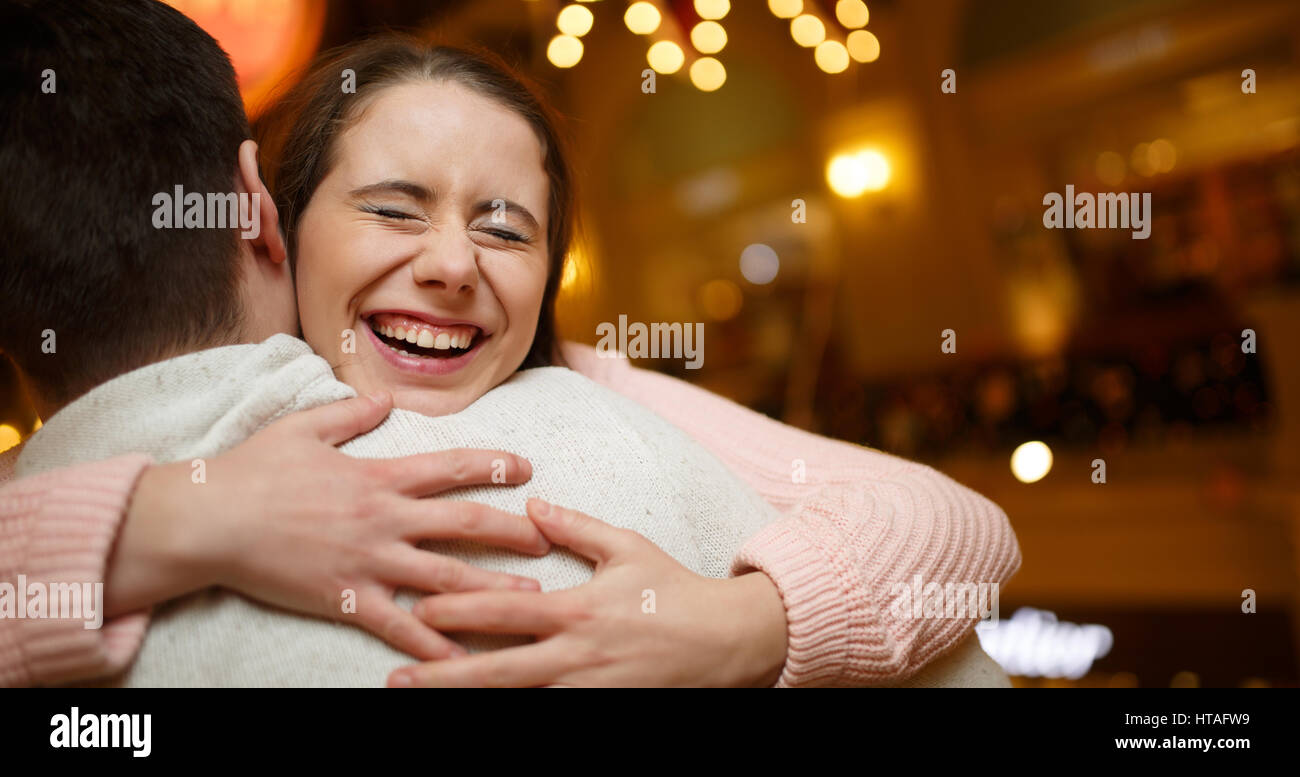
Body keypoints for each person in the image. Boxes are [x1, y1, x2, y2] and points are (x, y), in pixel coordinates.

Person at [0, 0, 1020, 687]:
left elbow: (961, 530)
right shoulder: (179, 425)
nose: (453, 265)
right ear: (277, 224)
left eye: (504, 227)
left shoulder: (580, 384)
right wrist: (181, 517)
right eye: (394, 210)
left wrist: (746, 626)